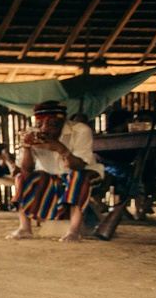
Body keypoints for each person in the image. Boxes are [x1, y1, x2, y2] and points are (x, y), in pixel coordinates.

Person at [8, 100, 104, 242]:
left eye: (52, 124)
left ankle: (74, 231)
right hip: (52, 177)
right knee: (21, 177)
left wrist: (60, 148)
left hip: (85, 174)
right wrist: (27, 147)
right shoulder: (33, 134)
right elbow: (26, 169)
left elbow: (79, 166)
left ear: (62, 121)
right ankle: (24, 228)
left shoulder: (80, 130)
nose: (45, 128)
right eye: (40, 124)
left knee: (77, 176)